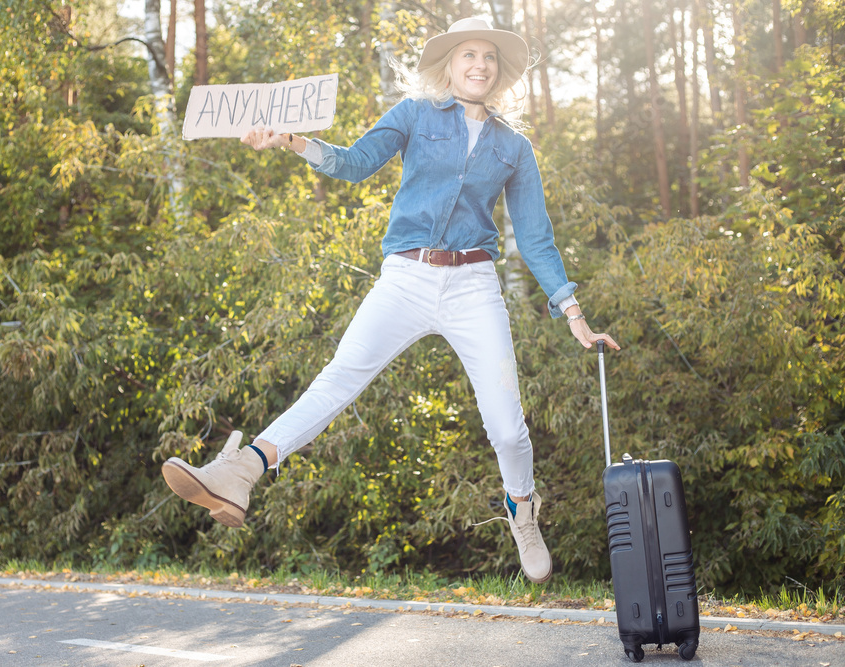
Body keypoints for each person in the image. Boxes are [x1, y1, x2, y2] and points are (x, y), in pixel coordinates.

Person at [162, 17, 620, 584]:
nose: (479, 65)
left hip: (474, 285)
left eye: (489, 57)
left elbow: (535, 237)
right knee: (337, 379)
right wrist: (292, 141)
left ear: (499, 71)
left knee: (507, 427)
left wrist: (573, 312)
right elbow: (355, 164)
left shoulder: (514, 147)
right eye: (468, 55)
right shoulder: (414, 115)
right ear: (449, 64)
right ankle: (242, 471)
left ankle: (522, 510)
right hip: (406, 277)